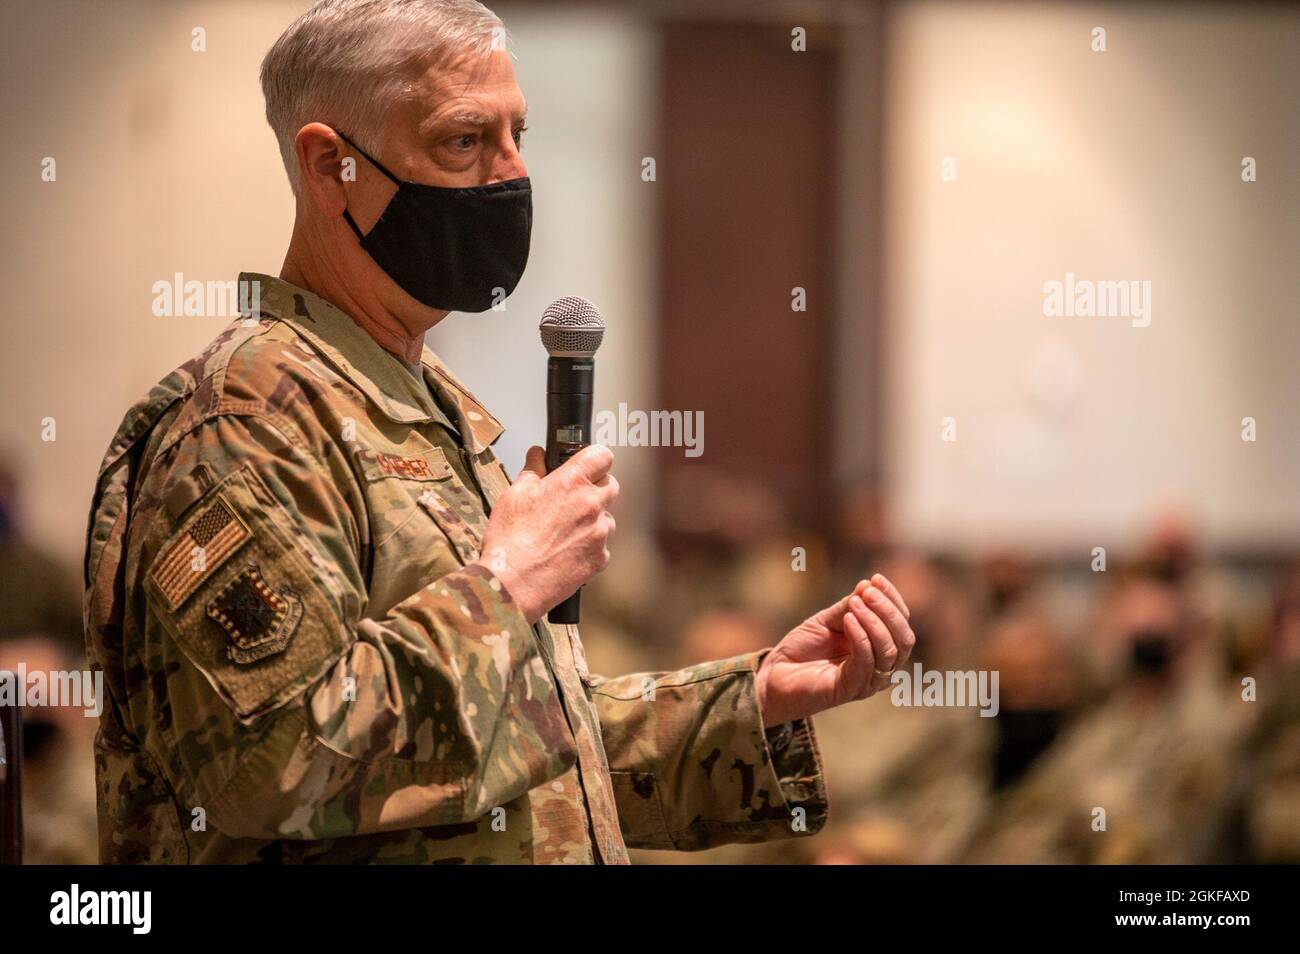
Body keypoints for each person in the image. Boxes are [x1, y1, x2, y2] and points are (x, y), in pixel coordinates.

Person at [84, 0, 916, 864]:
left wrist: (755, 697)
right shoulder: (247, 421)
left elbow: (516, 748)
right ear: (332, 165)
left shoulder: (413, 394)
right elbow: (276, 760)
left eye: (518, 135)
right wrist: (505, 583)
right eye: (464, 141)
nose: (511, 175)